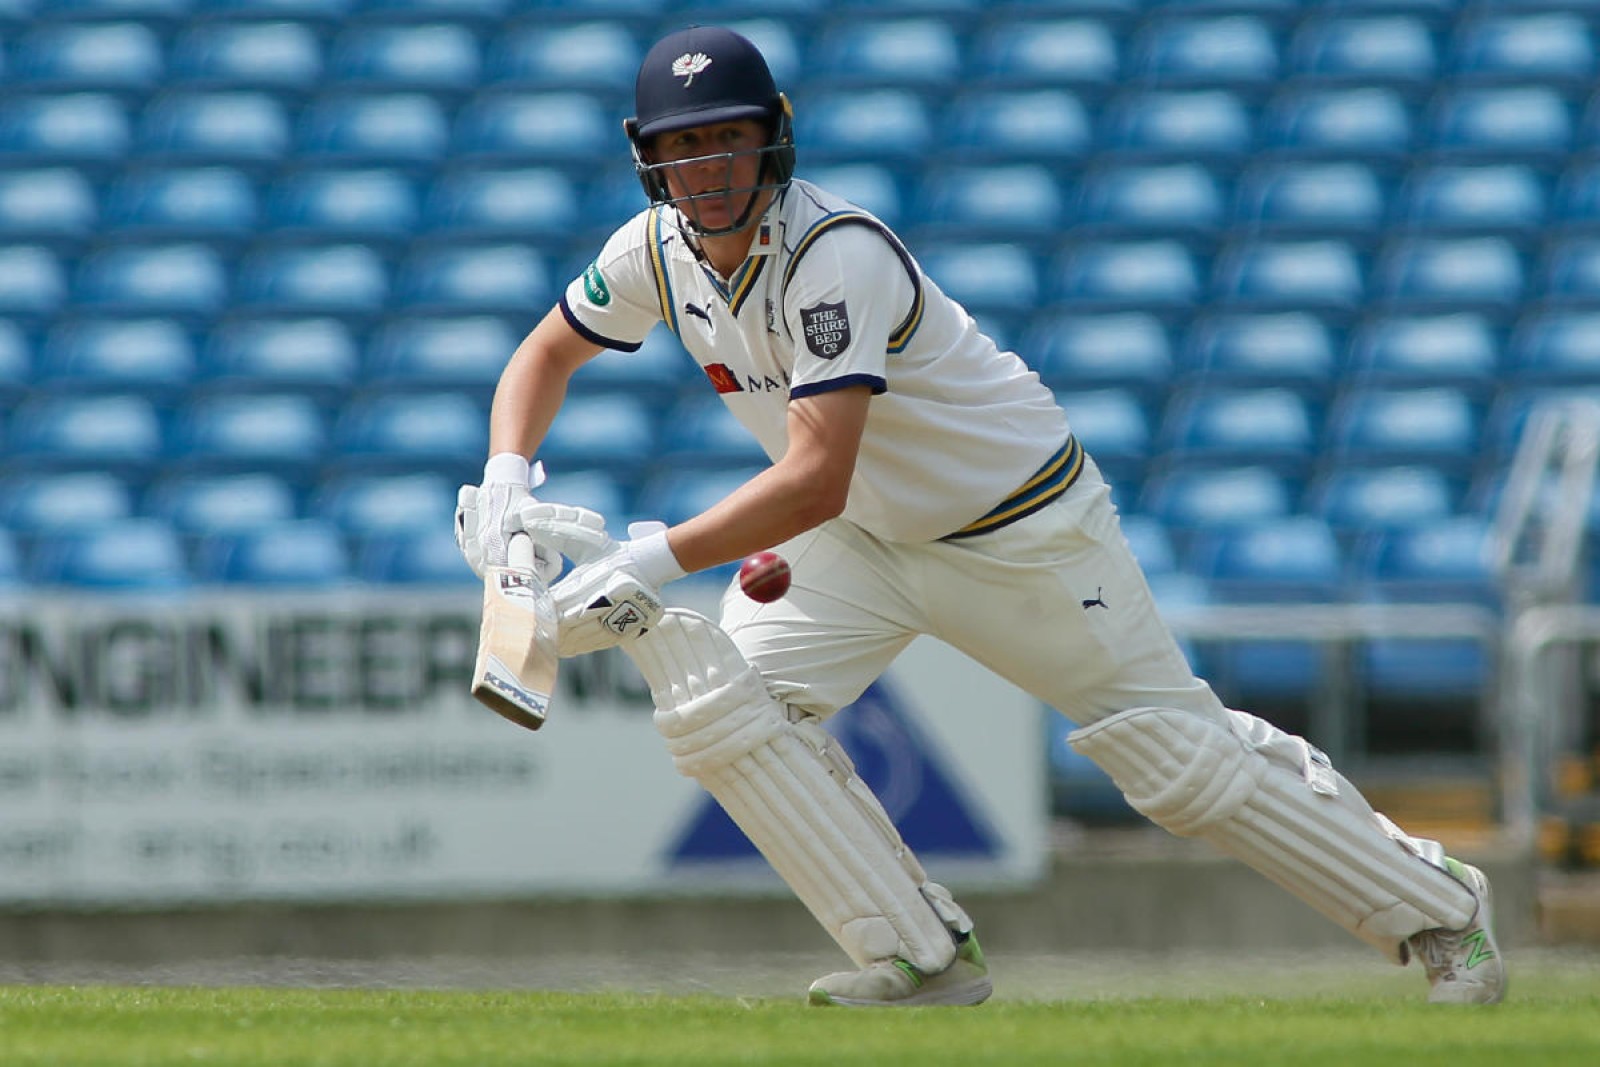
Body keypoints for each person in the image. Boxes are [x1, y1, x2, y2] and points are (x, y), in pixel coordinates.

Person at [454, 25, 1506, 1007]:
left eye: (729, 139)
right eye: (685, 149)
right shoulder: (653, 249)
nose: (711, 169)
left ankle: (1442, 907)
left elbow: (814, 472)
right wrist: (507, 476)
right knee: (725, 710)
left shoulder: (837, 255)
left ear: (772, 134)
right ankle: (915, 952)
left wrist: (649, 558)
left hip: (1018, 530)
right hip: (855, 539)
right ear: (650, 159)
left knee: (1178, 764)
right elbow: (544, 352)